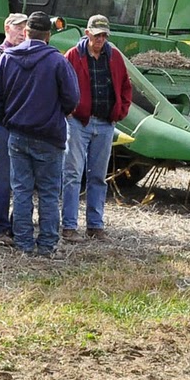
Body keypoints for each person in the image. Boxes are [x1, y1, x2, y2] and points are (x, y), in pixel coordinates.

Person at [0, 10, 78, 257]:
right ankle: (47, 245)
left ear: (27, 32)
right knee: (49, 193)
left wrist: (8, 120)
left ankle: (24, 243)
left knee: (21, 190)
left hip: (17, 134)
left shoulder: (7, 58)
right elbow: (72, 98)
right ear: (48, 35)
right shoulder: (58, 61)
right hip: (49, 135)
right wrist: (57, 114)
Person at [61, 14, 132, 241]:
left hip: (105, 123)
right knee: (72, 174)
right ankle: (69, 226)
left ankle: (95, 225)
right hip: (78, 122)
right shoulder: (73, 55)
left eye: (104, 35)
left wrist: (119, 112)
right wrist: (68, 109)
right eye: (97, 34)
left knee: (98, 176)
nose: (100, 39)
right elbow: (61, 83)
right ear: (87, 33)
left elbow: (125, 86)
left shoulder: (115, 57)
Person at [0, 12, 30, 246]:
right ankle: (0, 228)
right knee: (5, 175)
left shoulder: (29, 53)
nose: (22, 32)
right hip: (4, 121)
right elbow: (3, 88)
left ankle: (18, 226)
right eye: (18, 27)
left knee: (23, 176)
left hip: (22, 121)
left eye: (25, 28)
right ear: (7, 28)